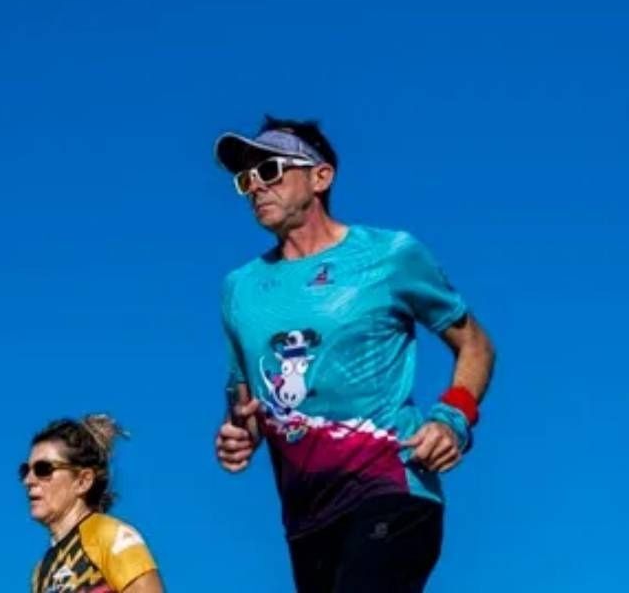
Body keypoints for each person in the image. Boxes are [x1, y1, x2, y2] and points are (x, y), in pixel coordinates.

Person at [210, 117, 496, 593]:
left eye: (271, 170)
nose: (256, 187)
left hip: (392, 486)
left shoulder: (389, 255)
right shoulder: (239, 289)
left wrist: (452, 420)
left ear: (321, 177)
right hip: (307, 519)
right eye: (246, 179)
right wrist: (239, 434)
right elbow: (248, 403)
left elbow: (476, 345)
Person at [23, 415, 165, 593]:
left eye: (43, 469)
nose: (28, 480)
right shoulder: (40, 572)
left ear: (83, 481)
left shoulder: (108, 535)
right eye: (25, 470)